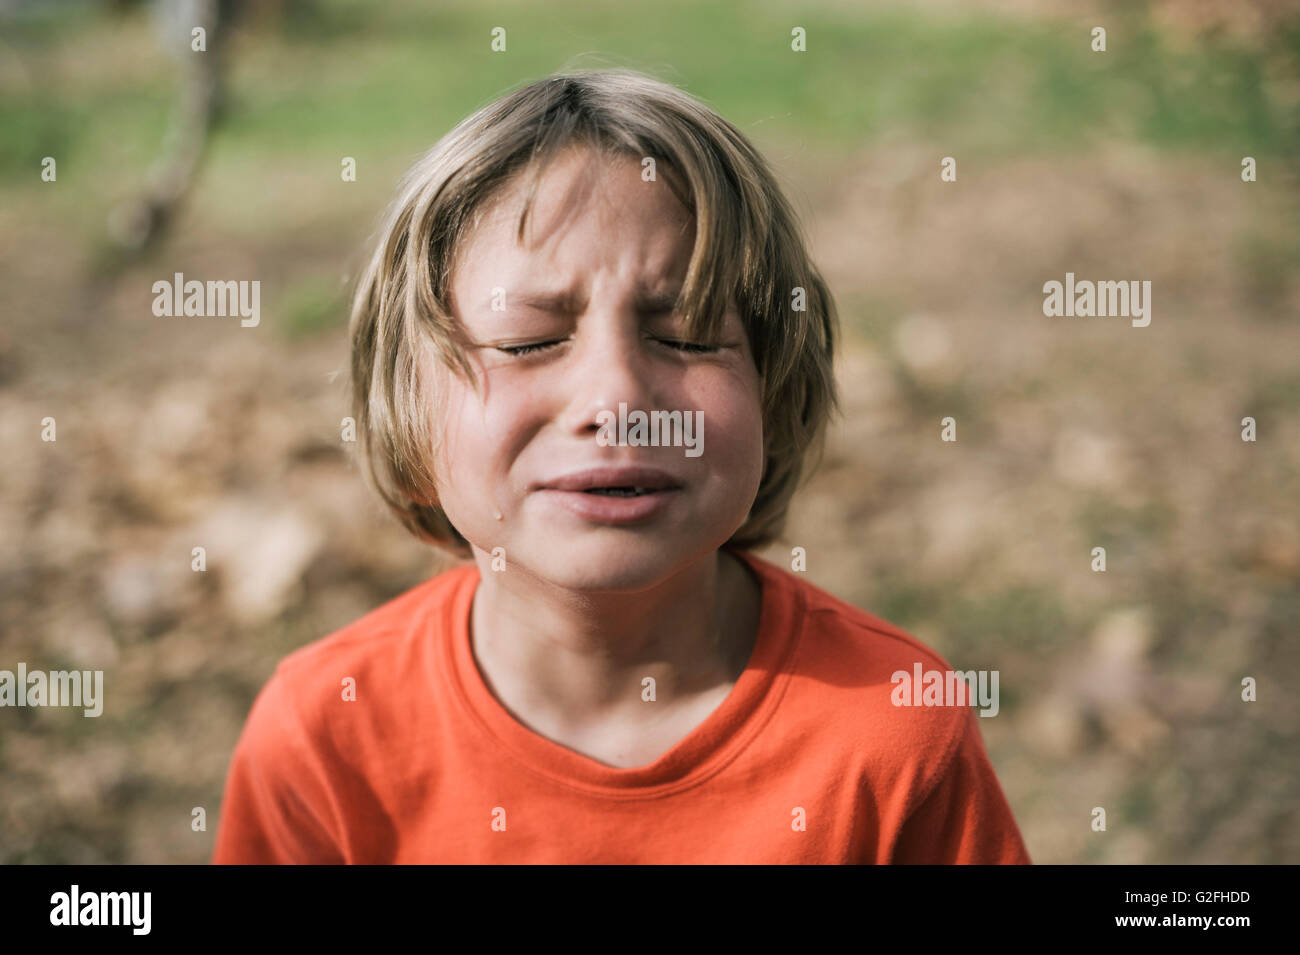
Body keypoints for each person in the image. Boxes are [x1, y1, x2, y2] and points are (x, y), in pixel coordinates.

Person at [212, 68, 1031, 864]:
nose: (617, 396)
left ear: (773, 389)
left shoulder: (894, 729)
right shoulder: (323, 737)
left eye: (686, 334)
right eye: (528, 340)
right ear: (410, 413)